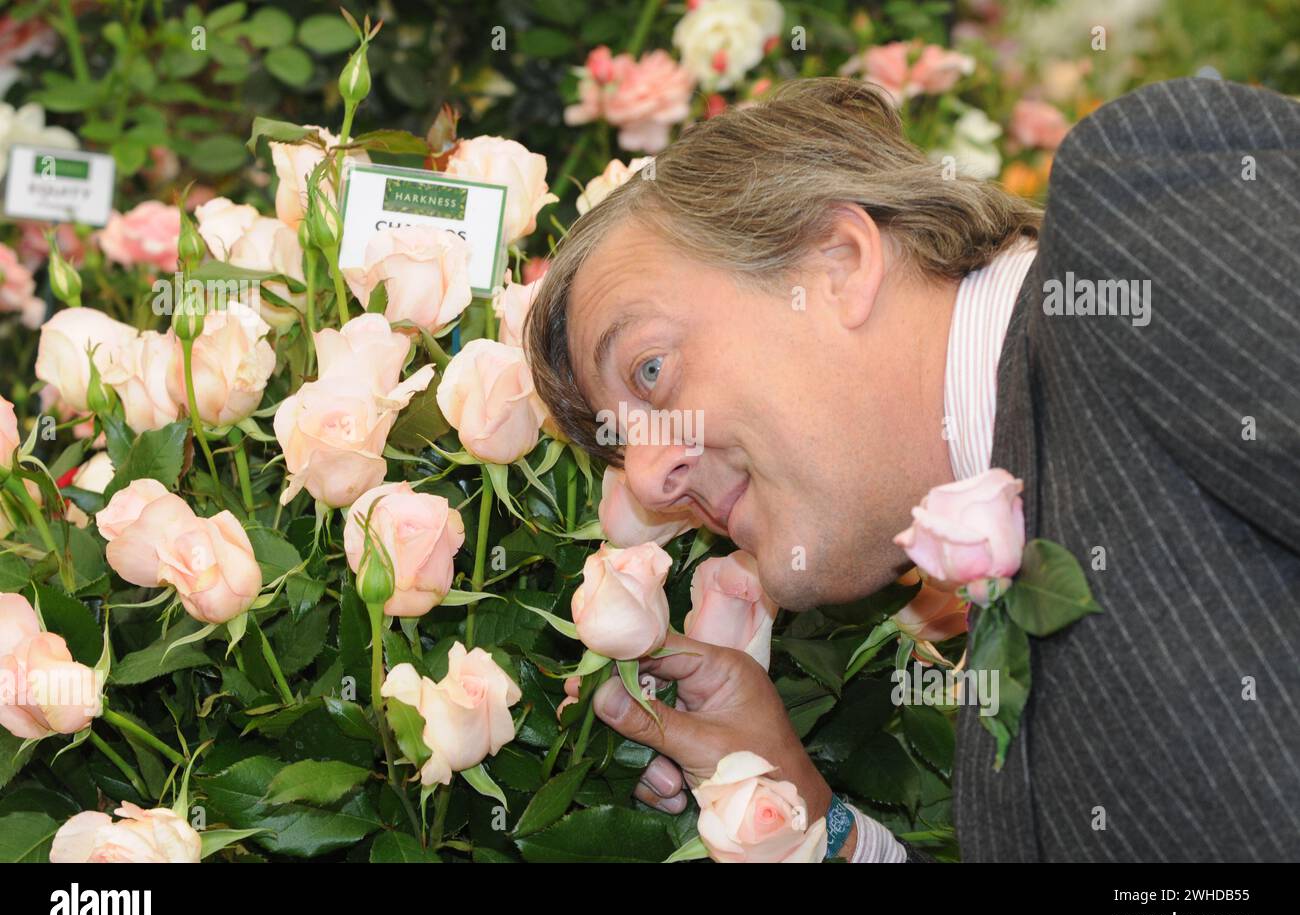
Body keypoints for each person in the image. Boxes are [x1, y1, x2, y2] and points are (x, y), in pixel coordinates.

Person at [525, 76, 1300, 861]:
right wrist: (806, 821)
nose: (653, 478)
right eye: (622, 443)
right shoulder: (993, 712)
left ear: (840, 260)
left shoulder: (1127, 234)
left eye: (651, 370)